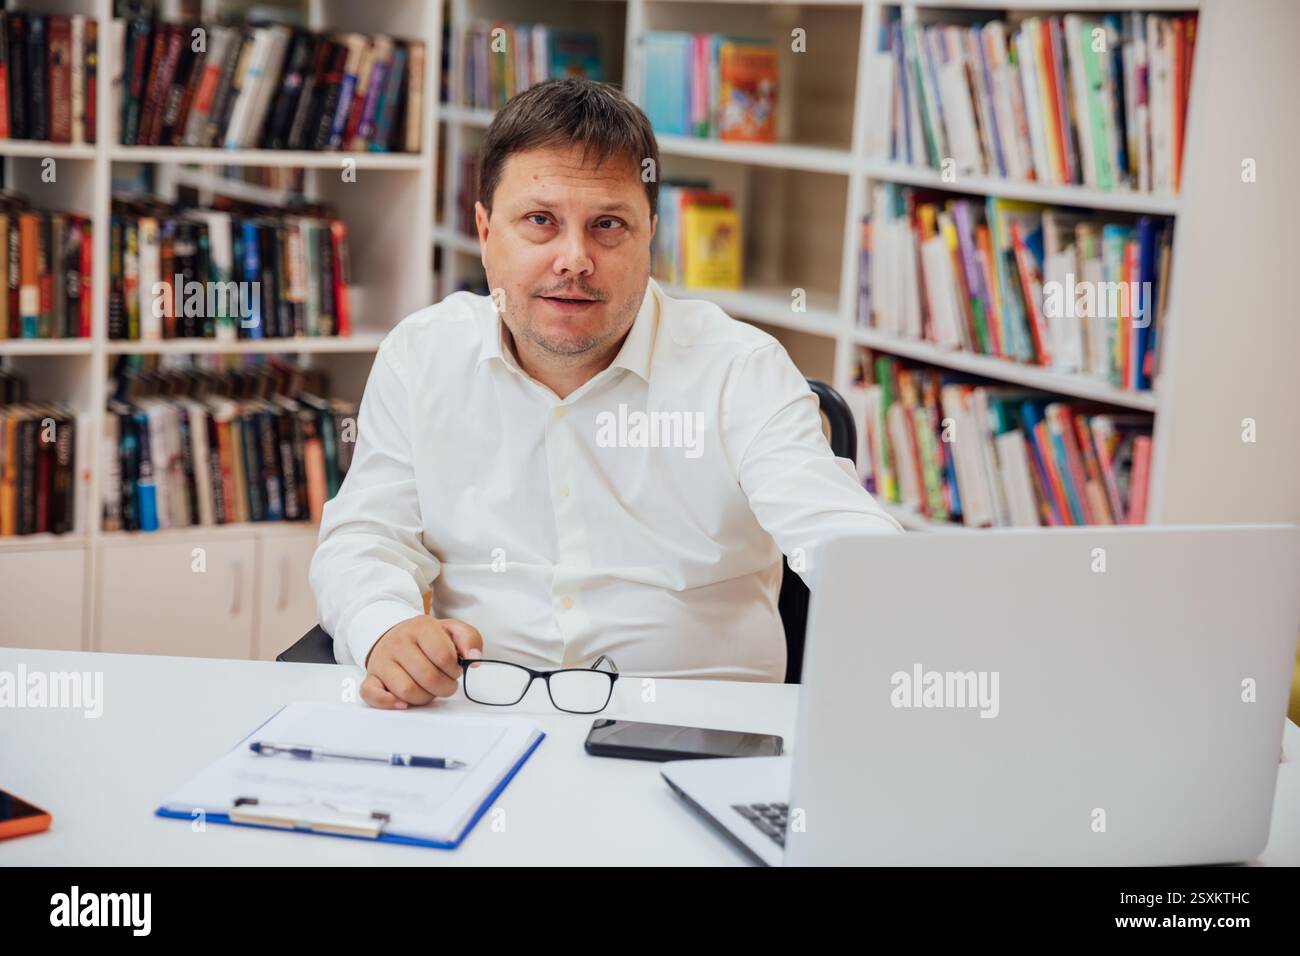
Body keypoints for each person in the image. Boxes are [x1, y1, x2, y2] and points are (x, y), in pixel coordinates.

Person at [310, 78, 902, 709]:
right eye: (540, 221)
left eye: (608, 225)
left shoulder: (740, 371)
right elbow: (364, 537)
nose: (575, 259)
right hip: (484, 711)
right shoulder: (422, 355)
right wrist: (384, 628)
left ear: (650, 233)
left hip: (696, 731)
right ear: (485, 231)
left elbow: (848, 547)